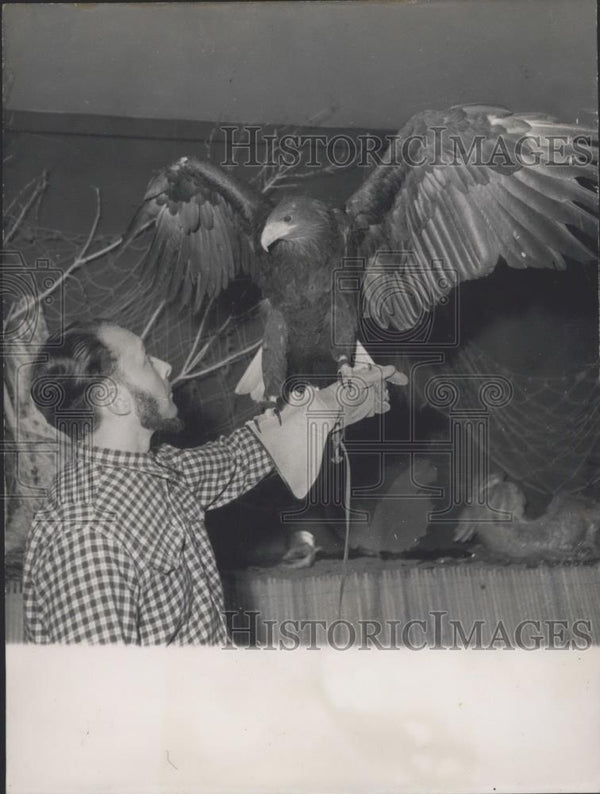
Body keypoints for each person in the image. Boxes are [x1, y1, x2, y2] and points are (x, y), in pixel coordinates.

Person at [23, 319, 397, 645]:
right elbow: (104, 715)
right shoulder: (86, 537)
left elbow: (242, 455)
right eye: (146, 360)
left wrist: (336, 402)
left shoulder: (159, 474)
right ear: (113, 398)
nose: (166, 367)